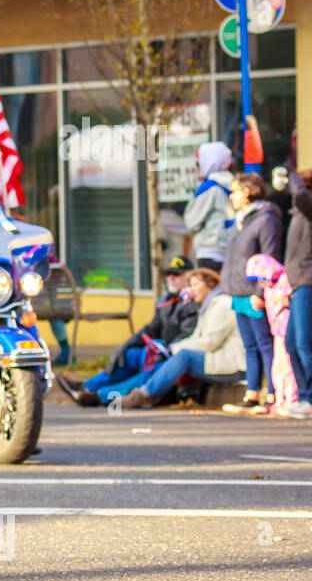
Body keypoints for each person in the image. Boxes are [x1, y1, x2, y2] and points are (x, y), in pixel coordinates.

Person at [56, 255, 199, 405]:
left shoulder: (191, 303)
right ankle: (86, 386)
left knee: (151, 356)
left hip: (171, 354)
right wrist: (125, 347)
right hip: (156, 351)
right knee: (129, 355)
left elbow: (185, 336)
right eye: (168, 273)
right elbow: (150, 329)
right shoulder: (165, 300)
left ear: (190, 276)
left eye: (176, 274)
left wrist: (161, 348)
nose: (171, 277)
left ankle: (100, 396)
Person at [107, 269, 245, 409]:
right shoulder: (208, 306)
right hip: (217, 360)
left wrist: (173, 349)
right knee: (161, 356)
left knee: (184, 356)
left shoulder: (222, 305)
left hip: (231, 366)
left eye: (196, 284)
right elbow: (196, 338)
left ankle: (143, 395)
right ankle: (131, 394)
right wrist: (171, 349)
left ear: (210, 284)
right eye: (190, 285)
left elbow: (209, 342)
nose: (192, 290)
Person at [219, 172, 283, 412]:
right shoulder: (239, 220)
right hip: (238, 292)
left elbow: (270, 256)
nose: (231, 196)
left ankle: (273, 393)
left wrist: (259, 290)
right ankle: (253, 392)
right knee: (250, 345)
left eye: (234, 190)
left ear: (247, 191)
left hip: (255, 293)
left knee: (265, 343)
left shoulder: (266, 219)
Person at [281, 164, 312, 418]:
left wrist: (292, 171)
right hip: (297, 284)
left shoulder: (311, 207)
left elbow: (301, 195)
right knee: (291, 343)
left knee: (305, 343)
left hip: (309, 282)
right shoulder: (300, 213)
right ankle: (305, 396)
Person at [244, 254, 298, 416]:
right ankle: (280, 399)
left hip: (286, 329)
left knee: (288, 367)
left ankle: (291, 399)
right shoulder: (268, 288)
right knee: (278, 366)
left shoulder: (283, 280)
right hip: (276, 331)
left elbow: (290, 299)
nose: (261, 283)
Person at [181, 141, 234, 272]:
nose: (198, 168)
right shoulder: (233, 183)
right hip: (230, 249)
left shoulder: (210, 188)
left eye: (198, 164)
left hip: (211, 251)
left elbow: (191, 220)